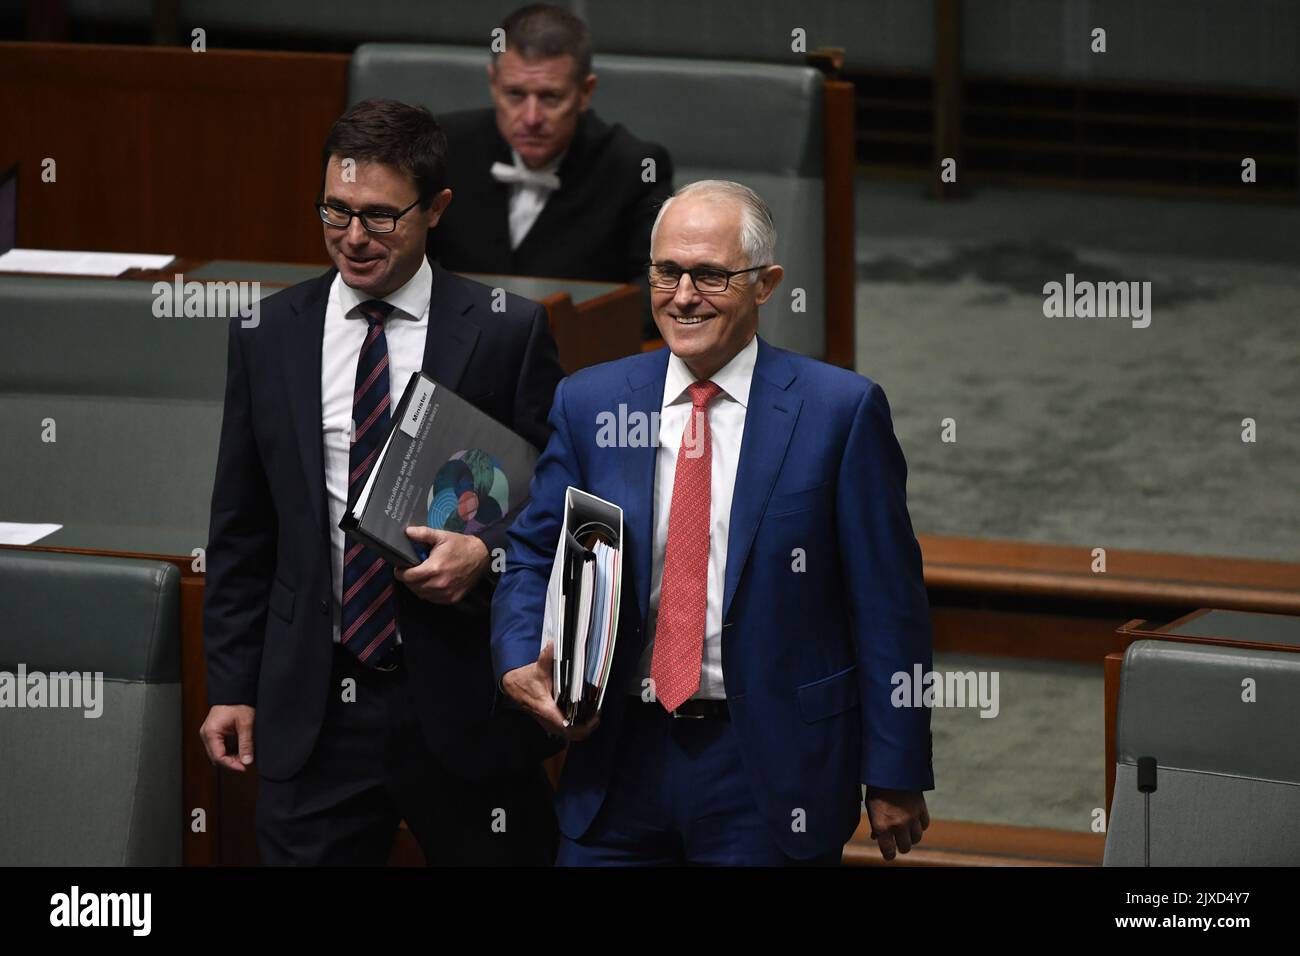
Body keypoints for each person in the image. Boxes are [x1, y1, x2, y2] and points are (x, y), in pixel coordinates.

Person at [491, 180, 935, 865]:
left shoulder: (838, 414)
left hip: (767, 764)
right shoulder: (591, 403)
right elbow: (531, 551)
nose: (683, 295)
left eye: (711, 275)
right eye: (667, 271)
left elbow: (889, 605)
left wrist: (896, 769)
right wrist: (520, 653)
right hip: (617, 758)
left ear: (766, 284)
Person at [201, 98, 564, 865]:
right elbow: (242, 527)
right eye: (335, 210)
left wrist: (485, 555)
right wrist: (231, 685)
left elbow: (553, 497)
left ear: (436, 209)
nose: (353, 238)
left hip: (465, 698)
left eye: (379, 216)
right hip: (317, 705)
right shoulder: (269, 336)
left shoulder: (504, 331)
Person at [428, 3, 673, 337]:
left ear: (585, 92)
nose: (531, 118)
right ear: (493, 83)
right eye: (515, 94)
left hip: (575, 359)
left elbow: (659, 286)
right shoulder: (445, 145)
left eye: (550, 97)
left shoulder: (634, 166)